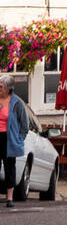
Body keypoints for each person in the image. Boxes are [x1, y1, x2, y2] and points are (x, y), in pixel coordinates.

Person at [0, 74, 29, 207]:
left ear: (8, 88)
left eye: (1, 86)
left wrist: (19, 140)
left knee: (9, 168)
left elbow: (25, 125)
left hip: (9, 139)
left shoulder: (17, 103)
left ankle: (9, 198)